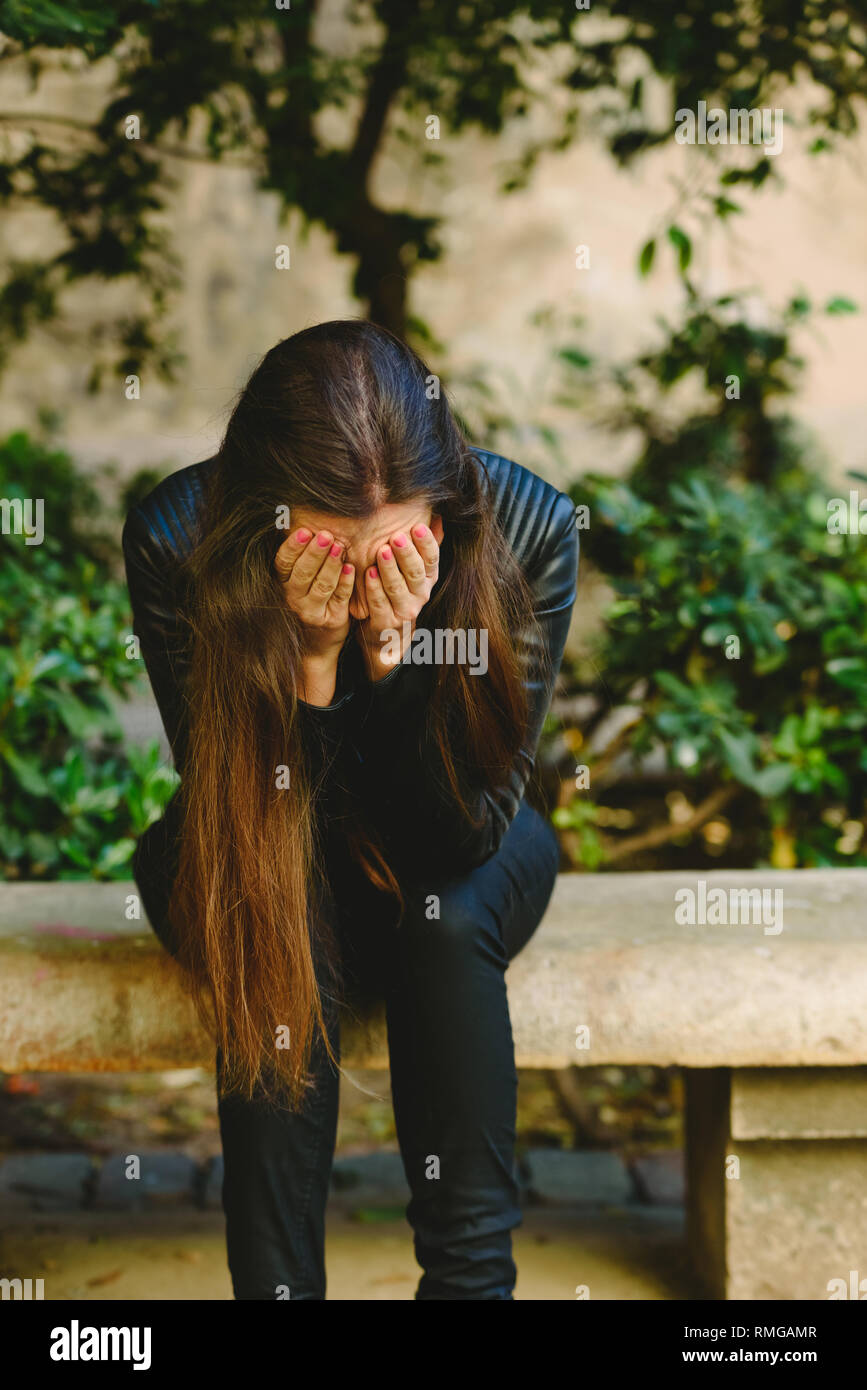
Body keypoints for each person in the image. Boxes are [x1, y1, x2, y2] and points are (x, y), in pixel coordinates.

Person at [122, 319, 579, 1300]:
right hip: (259, 847)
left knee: (449, 913)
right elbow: (245, 813)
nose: (372, 581)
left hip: (466, 843)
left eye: (396, 555)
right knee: (277, 902)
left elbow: (461, 835)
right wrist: (313, 671)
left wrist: (399, 660)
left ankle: (468, 1286)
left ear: (444, 509)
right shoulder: (176, 537)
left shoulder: (531, 526)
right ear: (261, 517)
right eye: (334, 555)